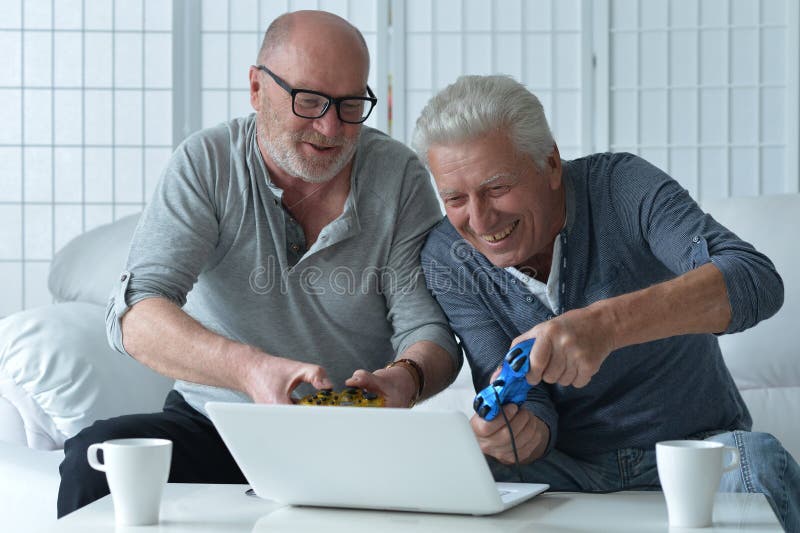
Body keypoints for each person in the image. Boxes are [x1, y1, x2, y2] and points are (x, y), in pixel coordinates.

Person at [57, 10, 460, 517]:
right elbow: (137, 314)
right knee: (90, 460)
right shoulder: (207, 163)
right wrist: (250, 371)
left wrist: (406, 378)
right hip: (217, 422)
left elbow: (429, 331)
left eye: (351, 104)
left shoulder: (398, 177)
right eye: (309, 100)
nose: (330, 126)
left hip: (348, 431)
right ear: (255, 88)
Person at [413, 74, 799, 531]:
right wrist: (519, 435)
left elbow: (755, 280)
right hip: (567, 465)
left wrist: (606, 325)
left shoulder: (622, 186)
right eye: (455, 198)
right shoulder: (447, 256)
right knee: (444, 482)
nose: (479, 219)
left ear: (551, 164)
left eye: (497, 188)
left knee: (759, 459)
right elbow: (523, 397)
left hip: (693, 447)